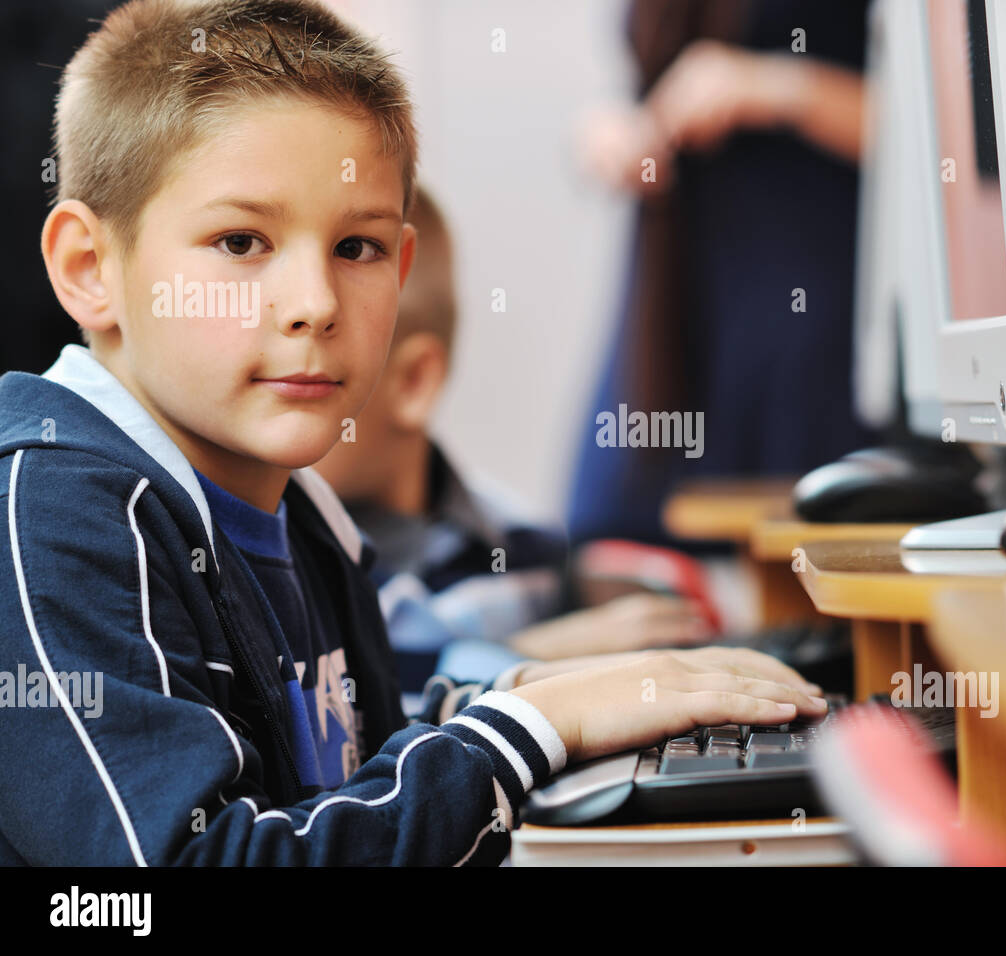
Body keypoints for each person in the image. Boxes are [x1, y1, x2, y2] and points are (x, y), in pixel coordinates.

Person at [0, 0, 825, 866]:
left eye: (356, 249)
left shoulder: (300, 511)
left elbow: (336, 767)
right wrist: (528, 727)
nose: (315, 304)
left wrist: (523, 695)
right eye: (242, 241)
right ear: (90, 270)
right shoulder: (53, 518)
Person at [314, 187, 714, 713]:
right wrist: (533, 656)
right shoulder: (301, 569)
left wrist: (613, 588)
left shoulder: (521, 538)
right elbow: (378, 710)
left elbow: (586, 601)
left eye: (308, 384)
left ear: (413, 382)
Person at [568, 0, 880, 547]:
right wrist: (611, 125)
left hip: (812, 320)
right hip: (671, 314)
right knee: (607, 546)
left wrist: (776, 88)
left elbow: (938, 131)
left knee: (816, 553)